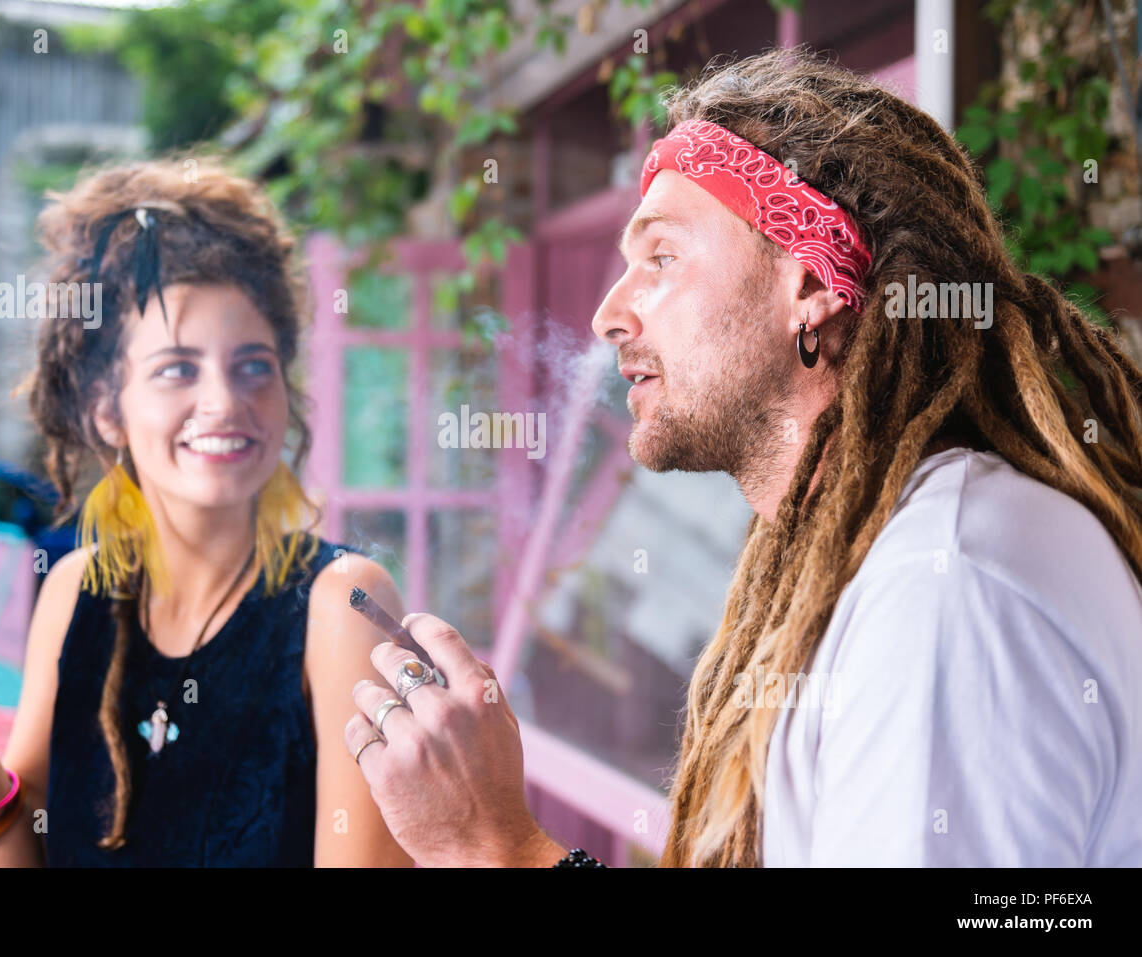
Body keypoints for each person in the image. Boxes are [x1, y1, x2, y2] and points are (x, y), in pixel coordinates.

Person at [341, 48, 1142, 867]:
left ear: (811, 281)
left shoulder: (946, 580)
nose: (608, 314)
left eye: (661, 257)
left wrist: (492, 844)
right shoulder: (870, 555)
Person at [0, 157, 413, 867]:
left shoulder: (342, 604)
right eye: (178, 367)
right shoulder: (76, 589)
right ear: (106, 409)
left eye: (253, 364)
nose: (224, 400)